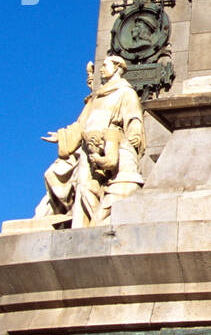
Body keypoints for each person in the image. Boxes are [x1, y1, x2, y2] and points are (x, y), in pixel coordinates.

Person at [36, 55, 145, 227]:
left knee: (90, 188)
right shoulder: (98, 97)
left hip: (109, 147)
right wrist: (62, 136)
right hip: (88, 149)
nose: (101, 69)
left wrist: (128, 150)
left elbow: (134, 122)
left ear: (116, 67)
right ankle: (81, 226)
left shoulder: (126, 93)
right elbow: (82, 124)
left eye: (105, 65)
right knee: (82, 186)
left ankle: (95, 224)